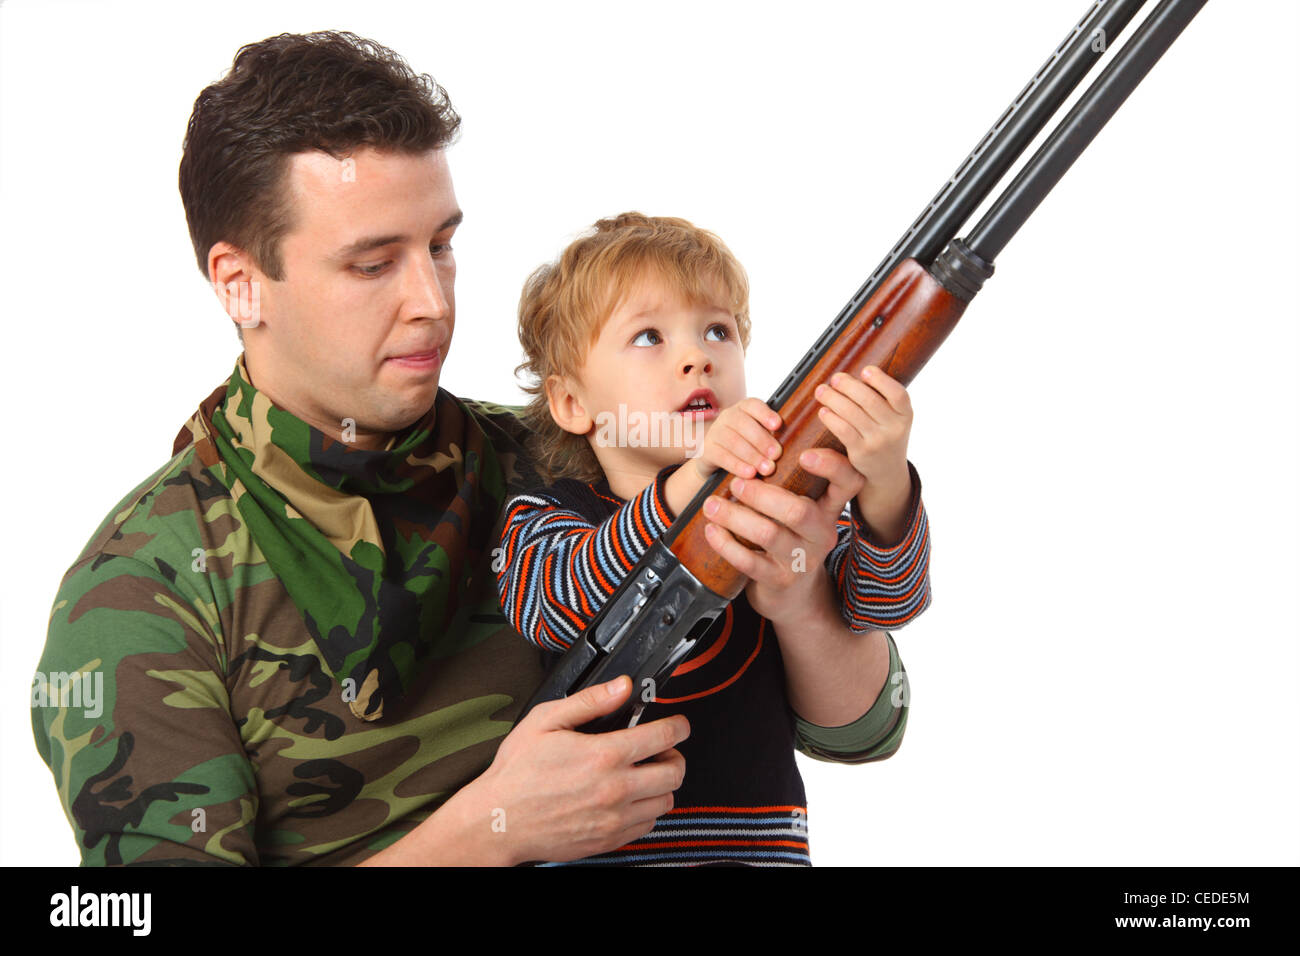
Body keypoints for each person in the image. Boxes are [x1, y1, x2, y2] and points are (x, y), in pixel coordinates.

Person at [28, 31, 706, 867]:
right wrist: (487, 832)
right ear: (240, 283)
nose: (431, 302)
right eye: (372, 264)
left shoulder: (557, 455)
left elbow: (858, 724)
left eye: (441, 246)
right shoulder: (140, 590)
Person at [497, 213, 931, 865]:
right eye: (648, 336)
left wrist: (886, 482)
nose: (698, 356)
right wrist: (693, 483)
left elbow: (885, 607)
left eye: (718, 331)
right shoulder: (547, 516)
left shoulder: (778, 506)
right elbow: (559, 605)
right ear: (570, 404)